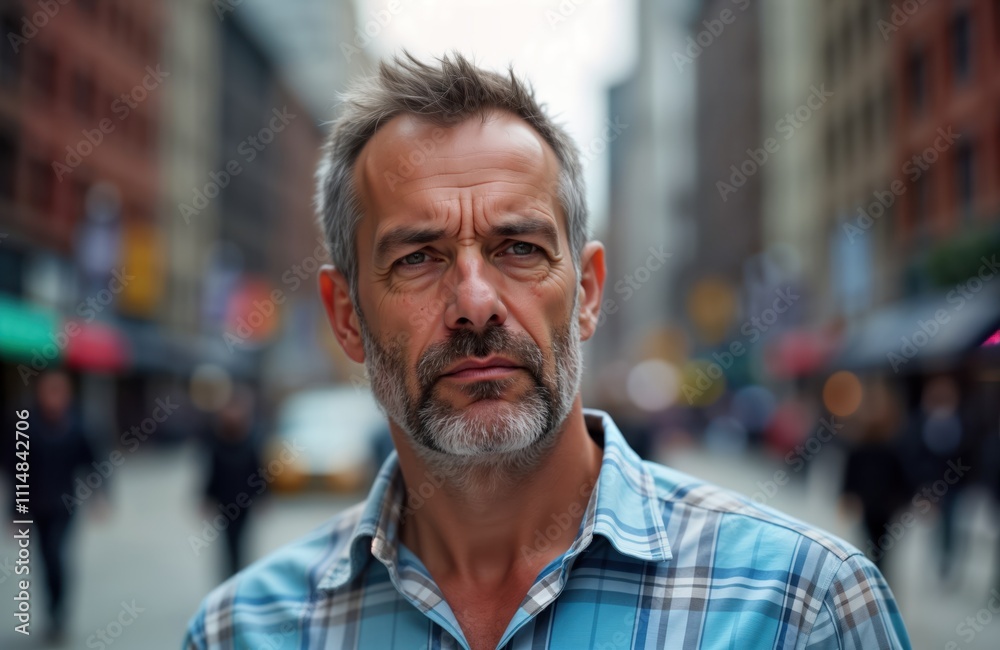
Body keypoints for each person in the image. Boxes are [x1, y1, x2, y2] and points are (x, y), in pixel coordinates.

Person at [184, 53, 911, 649]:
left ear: (588, 292)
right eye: (418, 258)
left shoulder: (805, 609)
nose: (475, 303)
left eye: (520, 248)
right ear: (346, 316)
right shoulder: (240, 633)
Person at [8, 370, 102, 643]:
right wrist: (15, 511)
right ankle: (52, 612)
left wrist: (100, 495)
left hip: (65, 504)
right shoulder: (27, 427)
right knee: (45, 558)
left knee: (56, 555)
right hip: (37, 505)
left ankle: (59, 614)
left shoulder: (77, 425)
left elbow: (93, 462)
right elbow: (17, 473)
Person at [200, 384, 262, 578]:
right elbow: (211, 471)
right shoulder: (216, 438)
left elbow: (258, 470)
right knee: (227, 546)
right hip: (224, 501)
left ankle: (240, 578)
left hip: (245, 501)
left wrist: (263, 495)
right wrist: (206, 497)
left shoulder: (252, 437)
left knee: (243, 544)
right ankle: (229, 579)